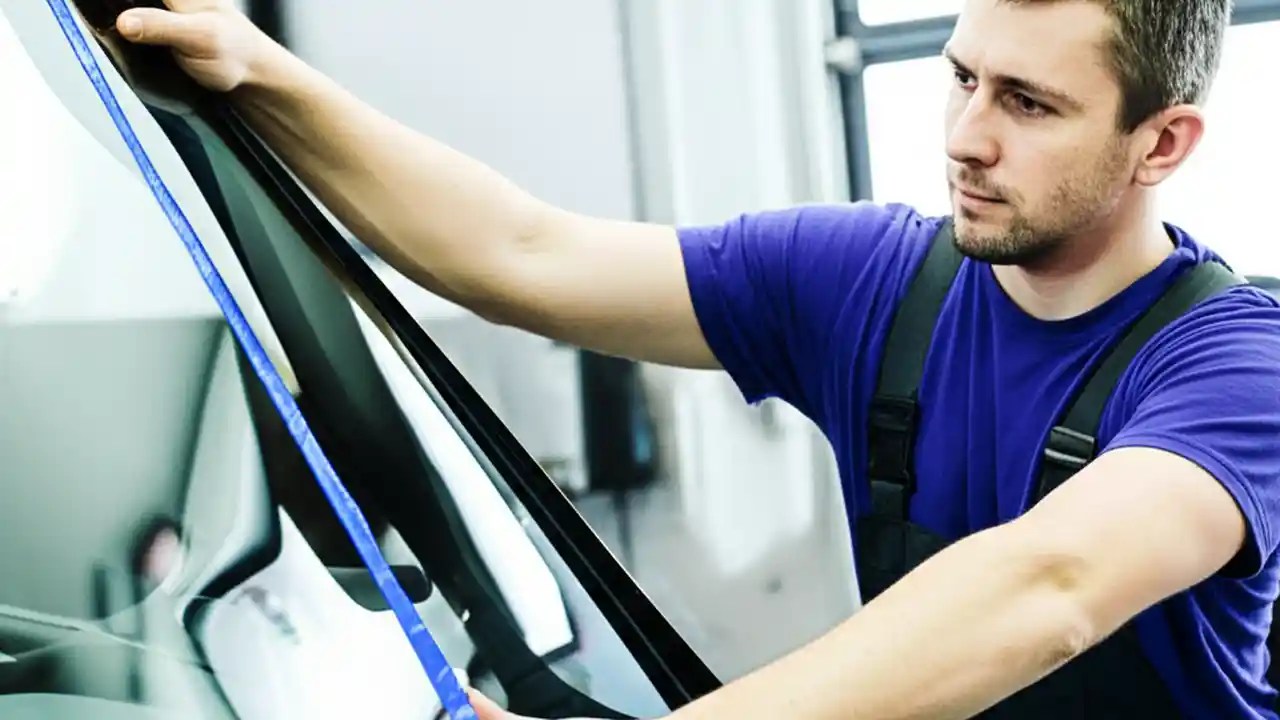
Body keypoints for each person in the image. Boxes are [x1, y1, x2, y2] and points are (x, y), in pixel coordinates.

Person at [113, 0, 1280, 717]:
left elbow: (1048, 589)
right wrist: (261, 72)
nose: (965, 137)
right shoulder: (867, 279)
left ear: (1159, 142)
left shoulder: (1238, 367)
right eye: (963, 78)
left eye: (1027, 103)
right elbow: (522, 256)